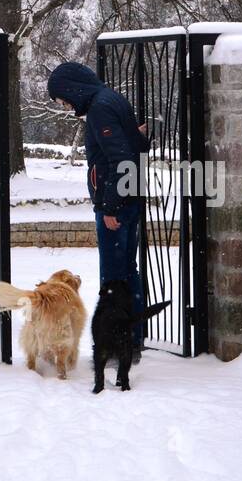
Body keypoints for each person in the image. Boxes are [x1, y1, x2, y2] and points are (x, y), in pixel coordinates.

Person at [46, 61, 150, 358]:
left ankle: (116, 344)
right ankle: (132, 339)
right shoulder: (113, 99)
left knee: (113, 279)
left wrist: (110, 207)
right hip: (129, 199)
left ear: (72, 89)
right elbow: (134, 148)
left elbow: (118, 160)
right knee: (128, 273)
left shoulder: (100, 108)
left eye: (63, 100)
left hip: (116, 206)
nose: (66, 106)